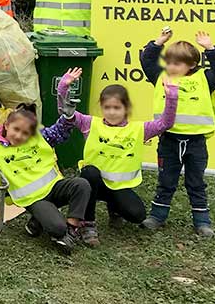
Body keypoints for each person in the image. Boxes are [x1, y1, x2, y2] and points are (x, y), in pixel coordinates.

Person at [55, 67, 177, 246]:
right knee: (89, 173)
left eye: (117, 108)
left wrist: (172, 97)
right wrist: (63, 87)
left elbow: (165, 123)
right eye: (107, 107)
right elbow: (66, 113)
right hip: (93, 184)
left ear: (126, 108)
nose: (112, 112)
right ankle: (88, 224)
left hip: (118, 187)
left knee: (137, 215)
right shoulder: (89, 123)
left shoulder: (139, 129)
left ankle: (115, 209)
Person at [139, 28, 215, 237]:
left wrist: (210, 48)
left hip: (196, 143)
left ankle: (202, 221)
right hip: (169, 141)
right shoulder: (160, 77)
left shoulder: (204, 79)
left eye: (177, 63)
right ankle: (157, 216)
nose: (171, 67)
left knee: (196, 182)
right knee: (166, 180)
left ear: (191, 64)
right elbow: (148, 61)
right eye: (169, 62)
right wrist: (158, 41)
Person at [0, 105, 90, 254]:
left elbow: (59, 132)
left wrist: (68, 119)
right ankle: (48, 223)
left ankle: (71, 231)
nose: (19, 136)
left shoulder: (39, 137)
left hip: (55, 186)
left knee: (82, 185)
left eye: (25, 133)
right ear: (6, 125)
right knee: (57, 228)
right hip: (33, 199)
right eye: (16, 129)